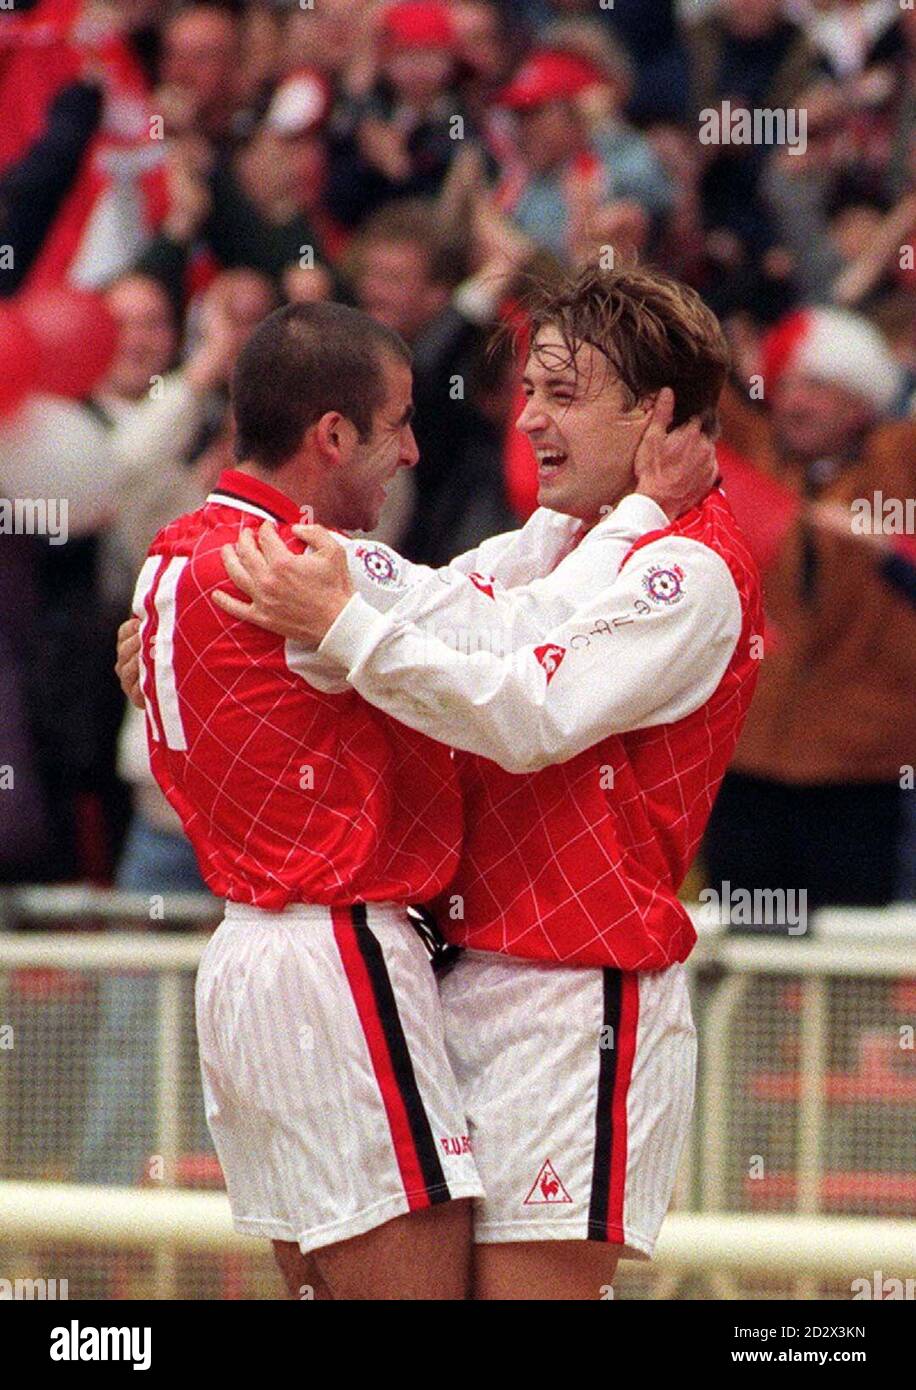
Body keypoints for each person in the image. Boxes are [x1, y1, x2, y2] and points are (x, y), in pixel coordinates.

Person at [115, 281, 721, 1298]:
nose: (414, 453)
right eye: (398, 427)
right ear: (334, 433)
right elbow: (504, 656)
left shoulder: (171, 564)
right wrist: (638, 515)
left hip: (267, 960)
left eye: (557, 394)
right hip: (343, 953)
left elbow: (471, 599)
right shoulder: (306, 564)